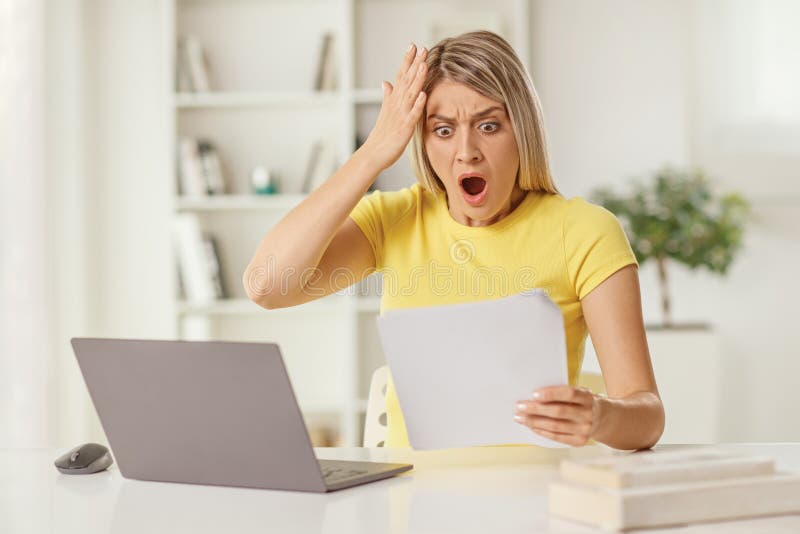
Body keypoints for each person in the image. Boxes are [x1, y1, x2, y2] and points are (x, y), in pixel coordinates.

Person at [244, 31, 664, 451]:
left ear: (523, 130)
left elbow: (646, 416)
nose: (467, 152)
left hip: (539, 500)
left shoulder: (585, 232)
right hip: (412, 499)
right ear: (422, 143)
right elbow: (265, 287)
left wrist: (599, 416)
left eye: (488, 125)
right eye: (442, 130)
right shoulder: (394, 219)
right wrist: (373, 152)